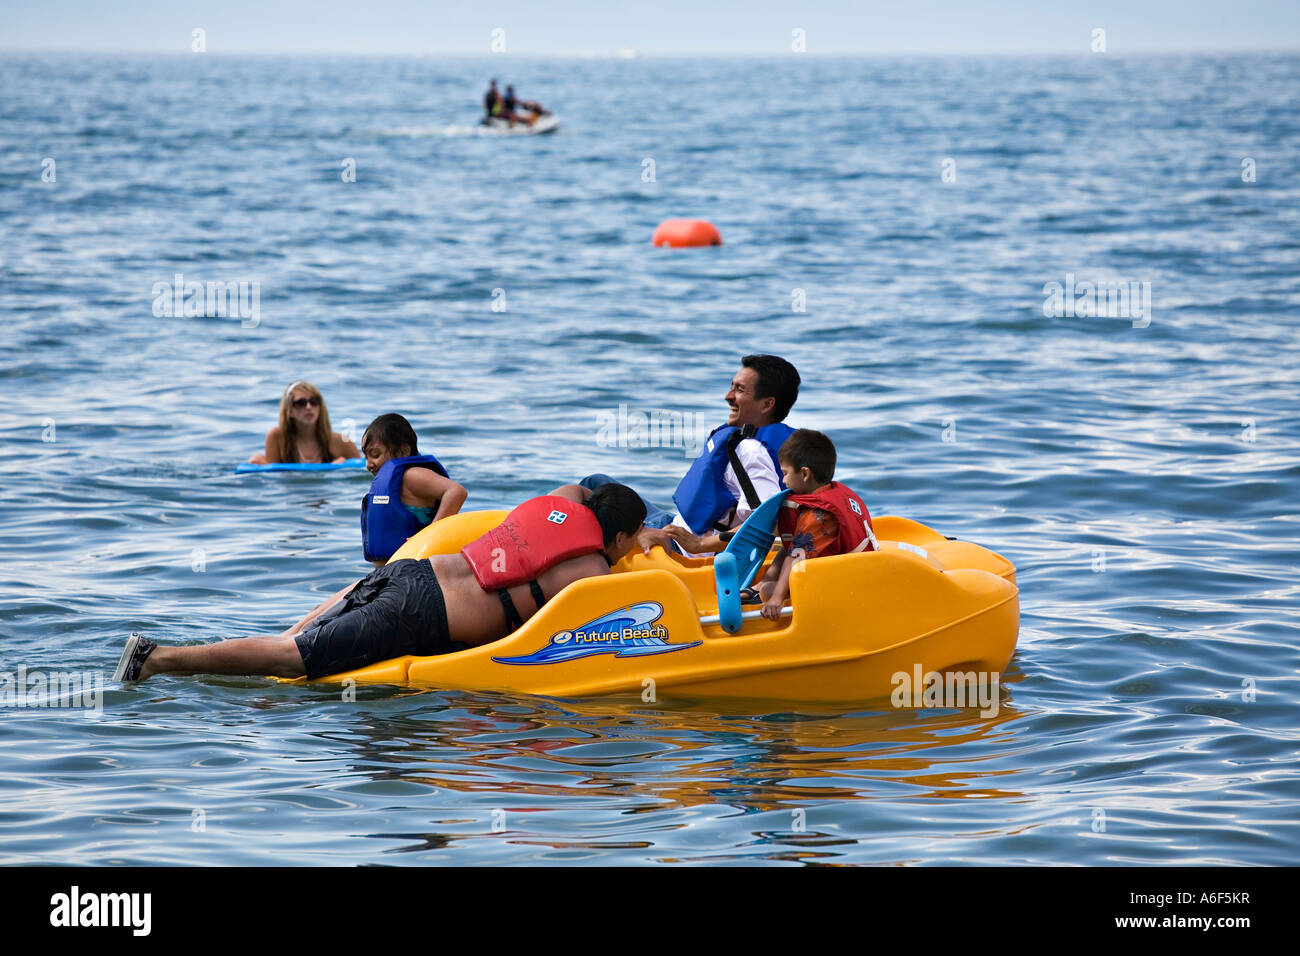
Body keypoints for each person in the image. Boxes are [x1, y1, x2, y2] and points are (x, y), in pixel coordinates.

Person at [113, 484, 647, 682]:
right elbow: (561, 643)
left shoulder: (559, 503)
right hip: (418, 614)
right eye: (631, 538)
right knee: (292, 658)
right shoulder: (592, 572)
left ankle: (186, 664)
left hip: (409, 571)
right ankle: (159, 658)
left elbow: (585, 485)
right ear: (619, 535)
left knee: (283, 651)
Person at [555, 355, 801, 555]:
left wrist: (699, 546)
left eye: (739, 390)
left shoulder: (751, 451)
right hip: (674, 525)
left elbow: (764, 527)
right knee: (596, 483)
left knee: (585, 491)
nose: (728, 396)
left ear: (767, 404)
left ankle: (555, 550)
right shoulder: (778, 444)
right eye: (731, 386)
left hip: (679, 547)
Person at [748, 429, 877, 621]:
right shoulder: (834, 492)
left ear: (805, 473)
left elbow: (794, 557)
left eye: (785, 473)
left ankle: (764, 590)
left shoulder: (816, 515)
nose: (783, 480)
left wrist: (776, 598)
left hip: (841, 586)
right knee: (787, 549)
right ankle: (762, 585)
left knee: (768, 590)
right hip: (854, 571)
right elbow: (791, 546)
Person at [360, 414, 467, 567]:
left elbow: (456, 492)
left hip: (415, 573)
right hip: (394, 573)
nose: (368, 464)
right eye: (366, 457)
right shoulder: (391, 482)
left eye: (375, 454)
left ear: (403, 451)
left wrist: (428, 537)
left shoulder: (411, 475)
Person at [247, 380, 359, 465]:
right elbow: (275, 481)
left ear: (320, 408)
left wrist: (339, 469)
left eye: (314, 401)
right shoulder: (277, 437)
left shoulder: (341, 442)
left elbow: (365, 473)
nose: (309, 407)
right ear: (289, 411)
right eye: (301, 403)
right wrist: (263, 465)